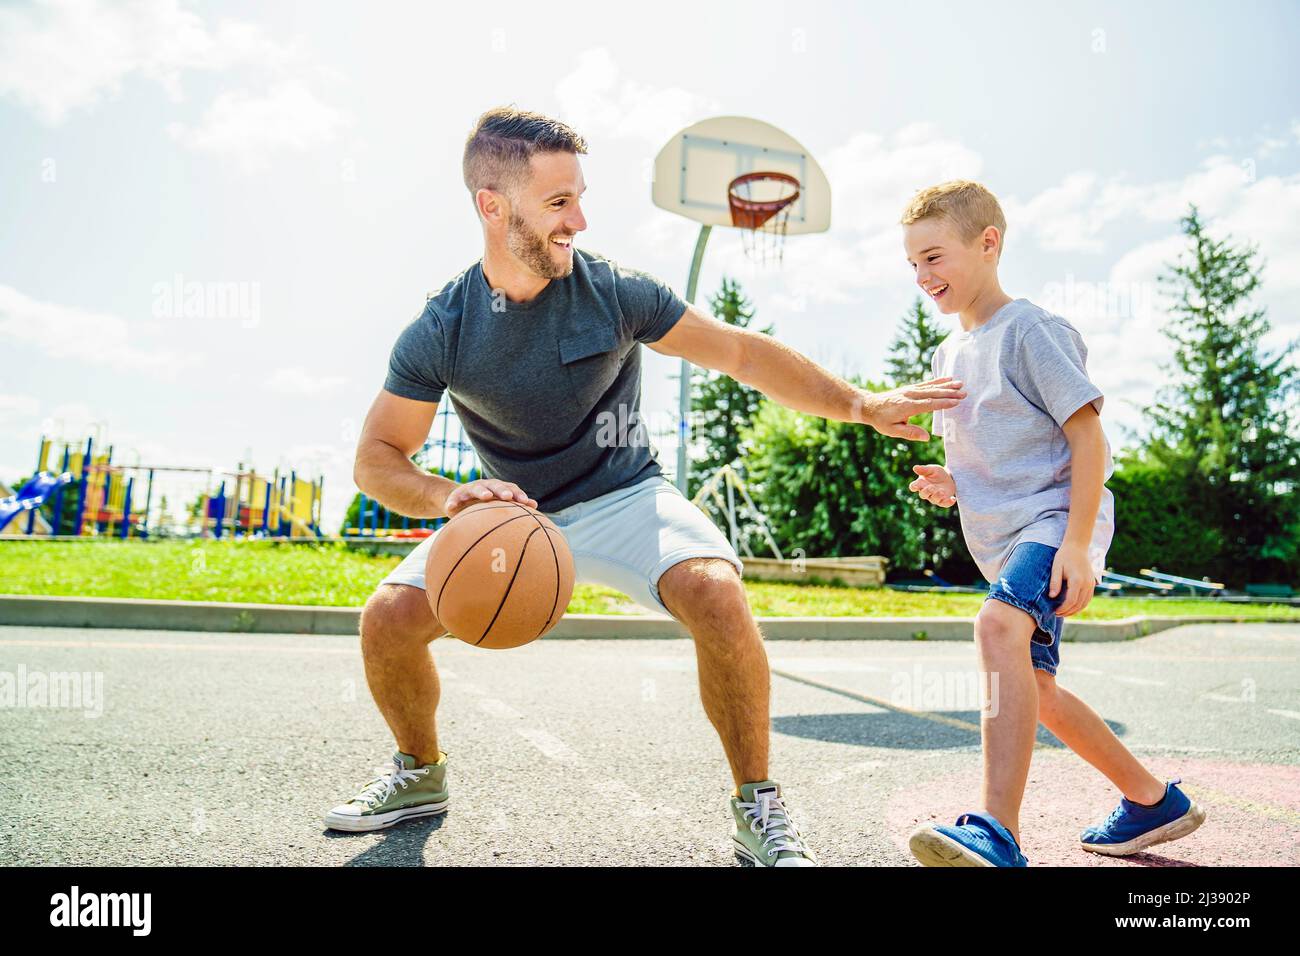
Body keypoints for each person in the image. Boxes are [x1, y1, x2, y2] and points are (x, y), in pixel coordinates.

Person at [323, 107, 965, 867]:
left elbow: (742, 356)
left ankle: (759, 805)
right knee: (386, 621)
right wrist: (443, 497)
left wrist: (861, 405)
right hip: (510, 517)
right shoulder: (444, 326)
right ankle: (418, 776)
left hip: (625, 494)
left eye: (580, 196)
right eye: (559, 202)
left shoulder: (616, 292)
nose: (580, 219)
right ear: (492, 206)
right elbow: (378, 456)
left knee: (717, 592)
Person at [901, 180, 1206, 866]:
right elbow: (1003, 456)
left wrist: (1076, 542)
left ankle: (996, 831)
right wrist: (955, 486)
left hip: (1053, 526)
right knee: (1035, 691)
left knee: (995, 624)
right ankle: (1152, 800)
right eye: (913, 264)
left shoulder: (1030, 331)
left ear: (989, 244)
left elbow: (1087, 437)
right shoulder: (949, 357)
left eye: (935, 257)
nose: (923, 276)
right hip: (1012, 536)